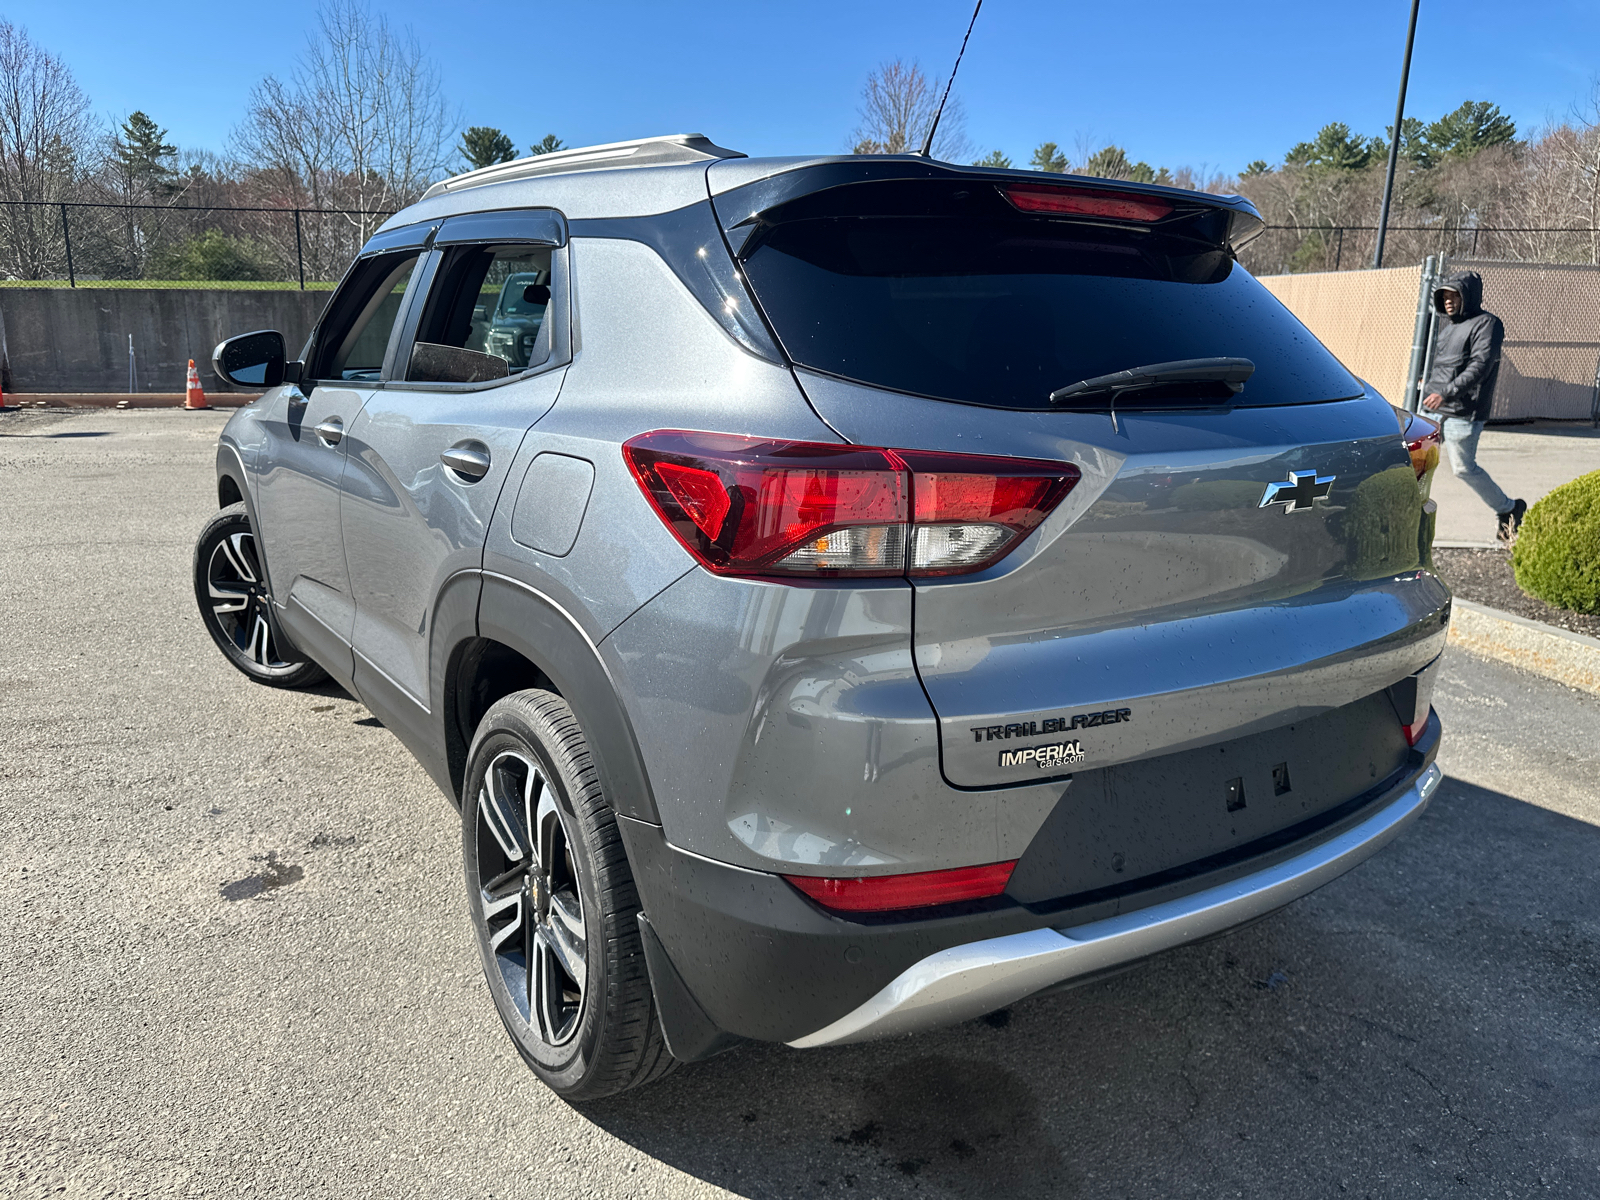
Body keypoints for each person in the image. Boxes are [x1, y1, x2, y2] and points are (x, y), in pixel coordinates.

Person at [1421, 270, 1526, 542]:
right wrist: (1430, 388)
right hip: (1433, 410)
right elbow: (1444, 367)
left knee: (1463, 468)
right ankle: (1409, 514)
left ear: (1468, 297)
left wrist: (1446, 393)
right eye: (1445, 296)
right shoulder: (1449, 328)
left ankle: (1509, 508)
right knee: (1415, 463)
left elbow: (1480, 365)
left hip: (1462, 413)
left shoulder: (1488, 324)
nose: (1448, 301)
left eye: (1454, 296)